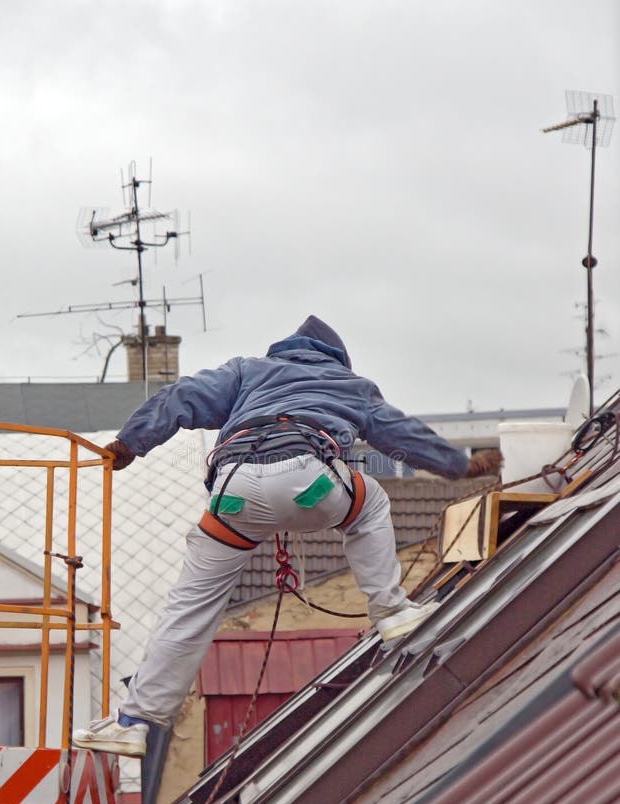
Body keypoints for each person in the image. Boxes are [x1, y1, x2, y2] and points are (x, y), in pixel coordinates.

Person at [72, 316, 502, 757]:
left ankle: (134, 721)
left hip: (233, 492)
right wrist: (460, 466)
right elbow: (403, 437)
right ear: (338, 359)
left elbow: (180, 396)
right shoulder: (350, 384)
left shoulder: (248, 371)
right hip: (307, 480)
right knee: (369, 501)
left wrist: (128, 444)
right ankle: (391, 611)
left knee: (191, 604)